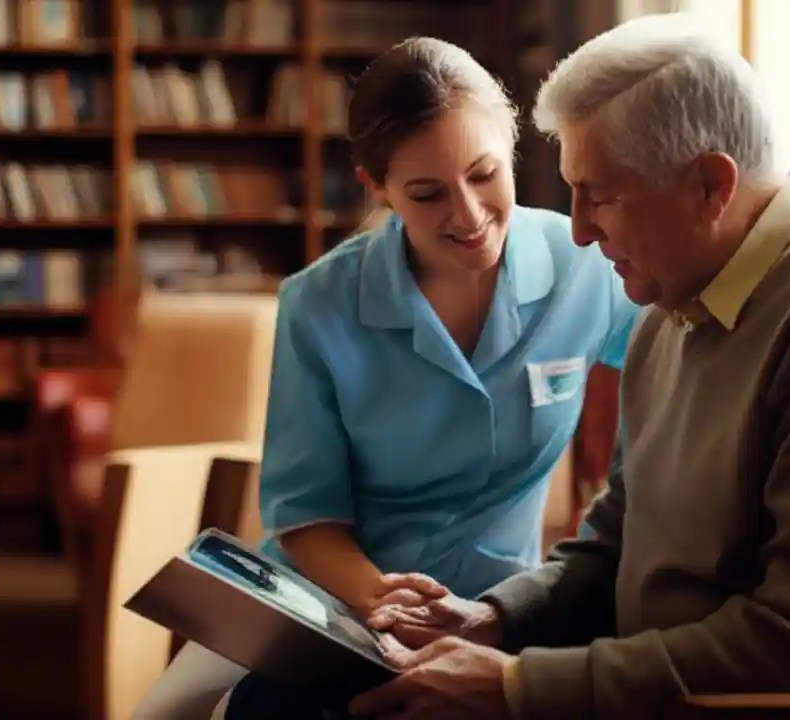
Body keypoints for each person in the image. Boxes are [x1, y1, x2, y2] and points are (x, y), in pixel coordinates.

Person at [344, 13, 790, 720]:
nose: (578, 230)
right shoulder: (673, 307)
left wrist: (517, 688)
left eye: (601, 194)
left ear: (710, 185)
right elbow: (618, 536)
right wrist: (494, 619)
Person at [133, 36, 638, 719]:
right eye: (427, 194)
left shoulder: (587, 267)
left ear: (513, 143)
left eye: (485, 173)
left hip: (499, 605)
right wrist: (377, 599)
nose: (467, 215)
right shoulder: (317, 304)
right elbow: (305, 517)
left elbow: (684, 363)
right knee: (169, 715)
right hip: (329, 598)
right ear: (379, 189)